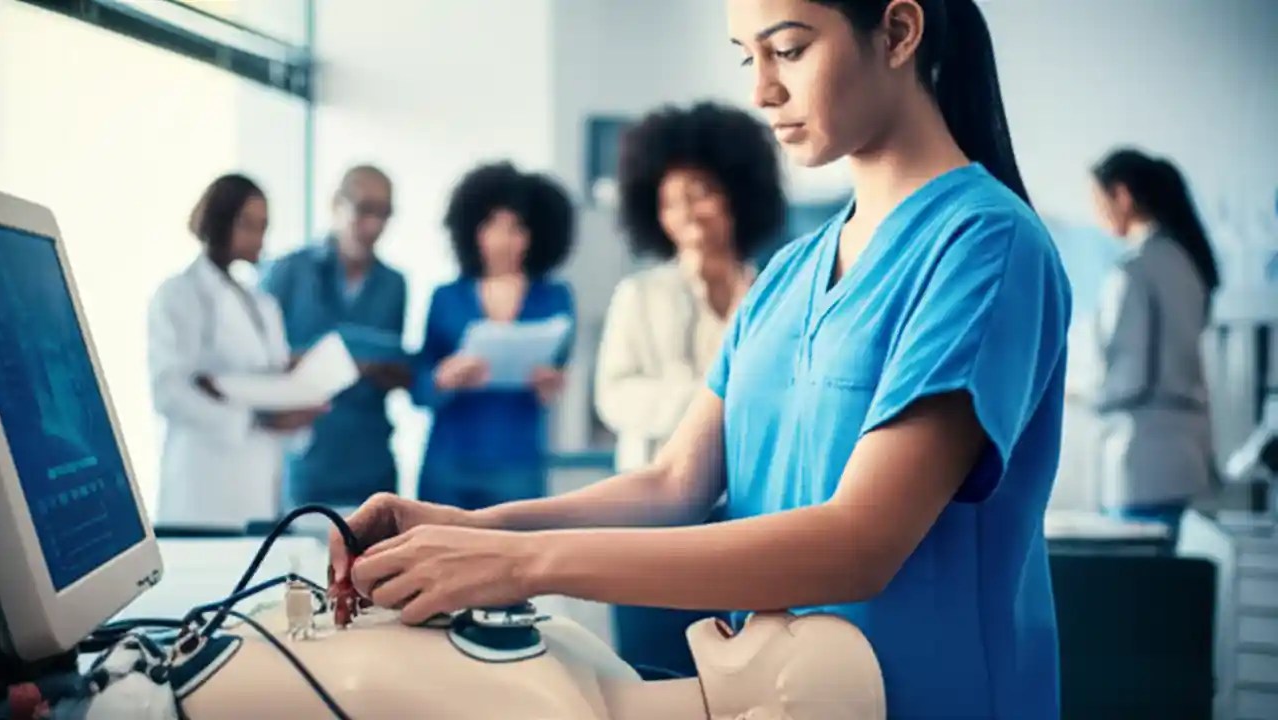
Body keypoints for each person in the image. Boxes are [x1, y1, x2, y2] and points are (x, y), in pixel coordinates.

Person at [332, 2, 1072, 718]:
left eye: (788, 49)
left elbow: (861, 540)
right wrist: (470, 529)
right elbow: (675, 484)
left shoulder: (985, 246)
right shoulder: (790, 274)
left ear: (898, 32)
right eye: (748, 58)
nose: (761, 90)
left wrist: (519, 566)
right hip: (778, 696)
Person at [594, 101, 786, 678]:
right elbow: (614, 397)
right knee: (653, 677)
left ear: (734, 193)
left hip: (747, 518)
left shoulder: (773, 289)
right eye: (671, 202)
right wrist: (705, 399)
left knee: (741, 681)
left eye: (700, 192)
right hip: (653, 518)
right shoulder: (639, 294)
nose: (687, 212)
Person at [149, 174, 325, 530]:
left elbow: (269, 376)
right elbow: (169, 392)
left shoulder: (262, 303)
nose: (258, 238)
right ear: (218, 221)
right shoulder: (179, 294)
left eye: (264, 226)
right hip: (202, 482)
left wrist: (298, 396)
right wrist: (255, 420)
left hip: (258, 481)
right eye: (248, 225)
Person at [410, 161, 576, 511]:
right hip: (449, 459)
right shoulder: (446, 297)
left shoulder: (555, 298)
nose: (503, 240)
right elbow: (420, 385)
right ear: (471, 230)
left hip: (517, 460)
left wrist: (550, 385)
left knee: (513, 557)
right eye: (491, 226)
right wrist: (444, 378)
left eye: (515, 228)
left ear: (535, 236)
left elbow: (557, 375)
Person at [261, 165, 411, 510]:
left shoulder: (394, 284)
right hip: (310, 457)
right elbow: (261, 359)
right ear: (336, 204)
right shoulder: (288, 271)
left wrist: (389, 370)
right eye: (364, 209)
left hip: (372, 459)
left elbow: (395, 361)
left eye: (384, 213)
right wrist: (320, 360)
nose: (373, 225)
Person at [1090, 148, 1219, 542]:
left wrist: (1084, 393)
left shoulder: (1135, 269)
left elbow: (1128, 374)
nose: (1097, 215)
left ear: (1122, 196)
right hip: (1187, 456)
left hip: (1142, 456)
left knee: (1135, 590)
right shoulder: (1187, 262)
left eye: (1099, 202)